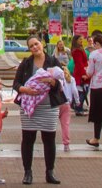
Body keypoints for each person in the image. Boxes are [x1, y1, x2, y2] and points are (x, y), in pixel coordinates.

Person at [12, 36, 65, 185]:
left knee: (49, 140)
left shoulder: (53, 61)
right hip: (29, 106)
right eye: (31, 46)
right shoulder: (26, 63)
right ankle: (27, 172)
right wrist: (25, 89)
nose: (35, 47)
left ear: (41, 44)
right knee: (28, 139)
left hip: (48, 106)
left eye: (36, 44)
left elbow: (60, 84)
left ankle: (50, 172)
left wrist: (51, 81)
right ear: (29, 49)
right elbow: (16, 83)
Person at [51, 67, 78, 152]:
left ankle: (51, 142)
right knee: (65, 125)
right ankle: (66, 144)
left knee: (52, 125)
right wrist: (77, 101)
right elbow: (74, 90)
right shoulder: (71, 79)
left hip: (55, 103)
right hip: (66, 104)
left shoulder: (54, 79)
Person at [70, 36, 89, 116]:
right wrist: (83, 73)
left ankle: (78, 106)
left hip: (82, 71)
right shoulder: (77, 51)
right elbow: (79, 63)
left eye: (82, 39)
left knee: (83, 90)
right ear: (76, 41)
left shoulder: (80, 49)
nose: (82, 40)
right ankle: (78, 107)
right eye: (80, 39)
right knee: (82, 91)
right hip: (80, 72)